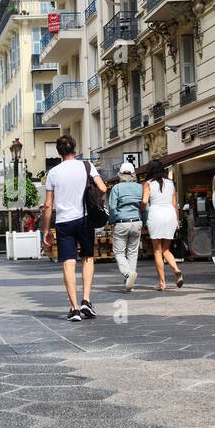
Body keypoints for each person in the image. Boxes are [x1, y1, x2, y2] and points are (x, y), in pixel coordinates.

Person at [40, 133, 106, 321]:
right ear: (74, 148)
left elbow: (47, 205)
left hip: (63, 222)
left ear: (59, 152)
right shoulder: (87, 166)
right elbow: (102, 188)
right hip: (84, 219)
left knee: (68, 263)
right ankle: (86, 300)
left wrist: (46, 231)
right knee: (87, 258)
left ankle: (74, 308)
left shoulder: (53, 173)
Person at [143, 159, 184, 291]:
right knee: (166, 249)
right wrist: (177, 221)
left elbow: (144, 201)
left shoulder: (148, 184)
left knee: (157, 250)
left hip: (156, 215)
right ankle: (176, 269)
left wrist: (142, 207)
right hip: (170, 215)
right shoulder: (171, 183)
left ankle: (162, 283)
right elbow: (174, 203)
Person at [107, 161, 144, 292]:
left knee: (119, 252)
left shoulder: (116, 188)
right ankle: (130, 282)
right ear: (133, 174)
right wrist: (143, 220)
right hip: (137, 222)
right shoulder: (140, 187)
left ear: (120, 175)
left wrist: (112, 221)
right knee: (133, 252)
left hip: (122, 222)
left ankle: (128, 274)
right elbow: (145, 205)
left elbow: (112, 207)